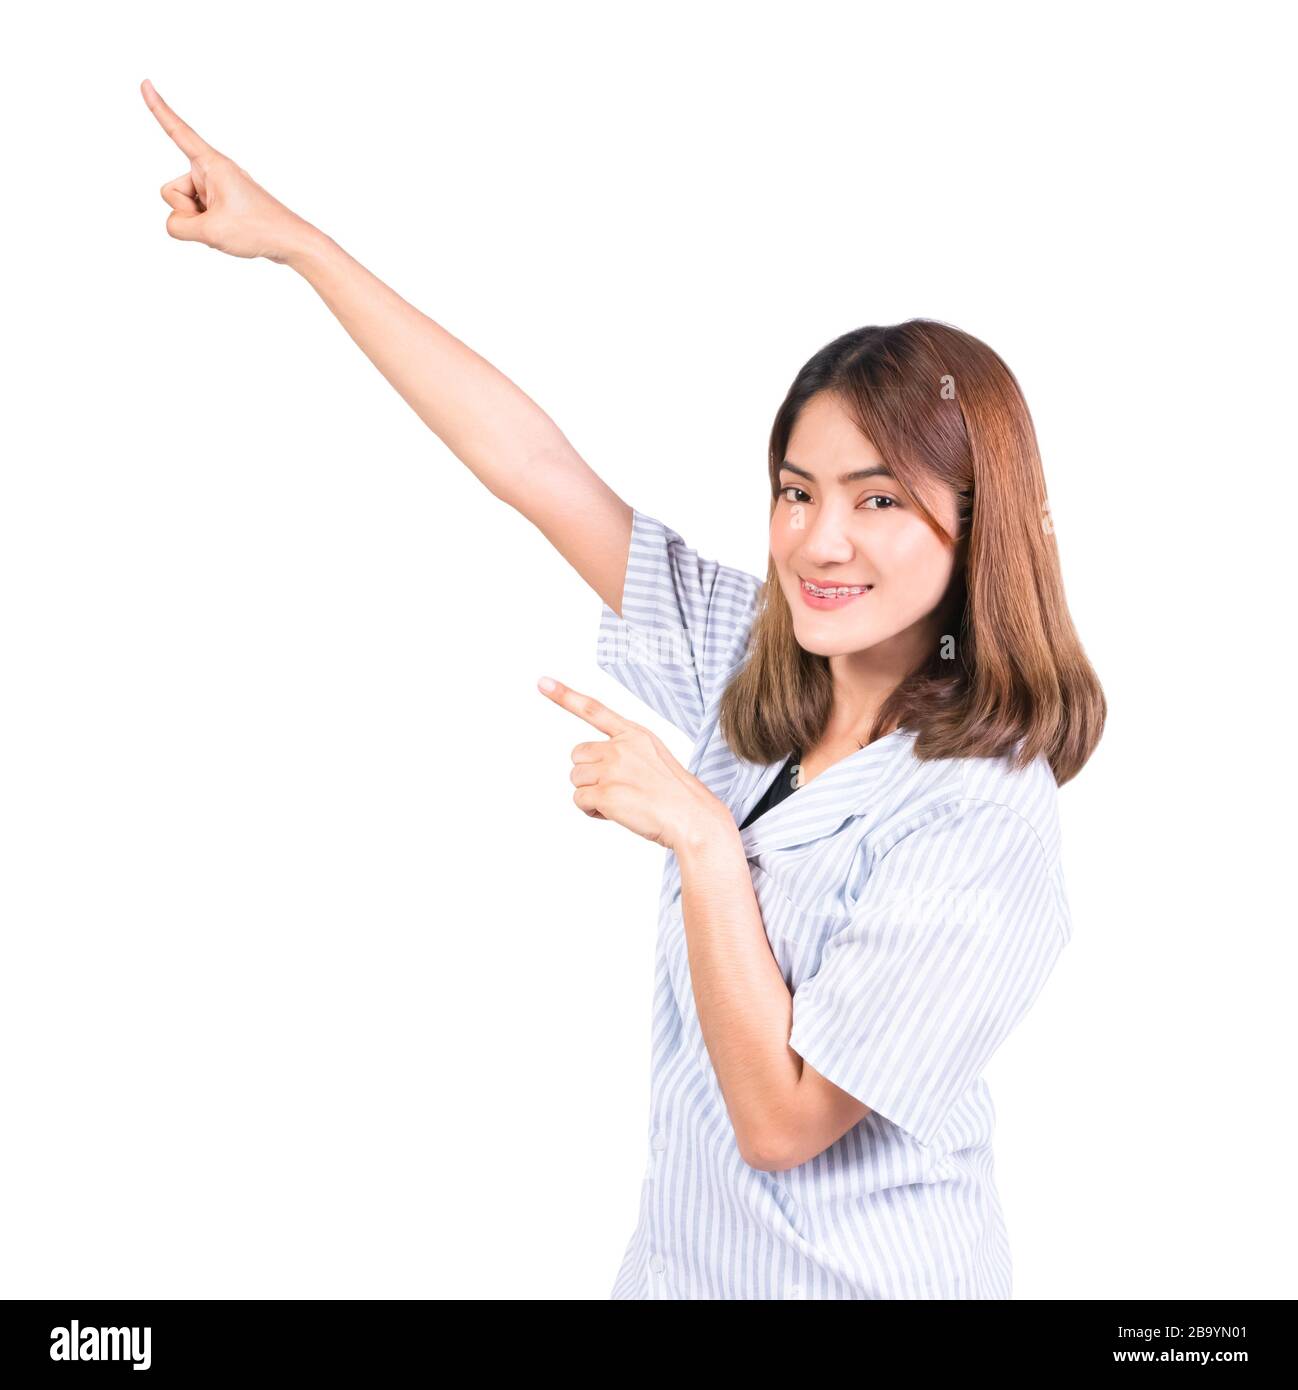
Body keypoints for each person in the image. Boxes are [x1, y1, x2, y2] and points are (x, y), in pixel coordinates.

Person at [141, 79, 1106, 1299]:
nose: (818, 542)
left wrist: (702, 836)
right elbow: (533, 465)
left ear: (975, 531)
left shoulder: (985, 815)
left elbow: (784, 1120)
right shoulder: (760, 666)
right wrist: (299, 246)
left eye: (876, 499)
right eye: (795, 490)